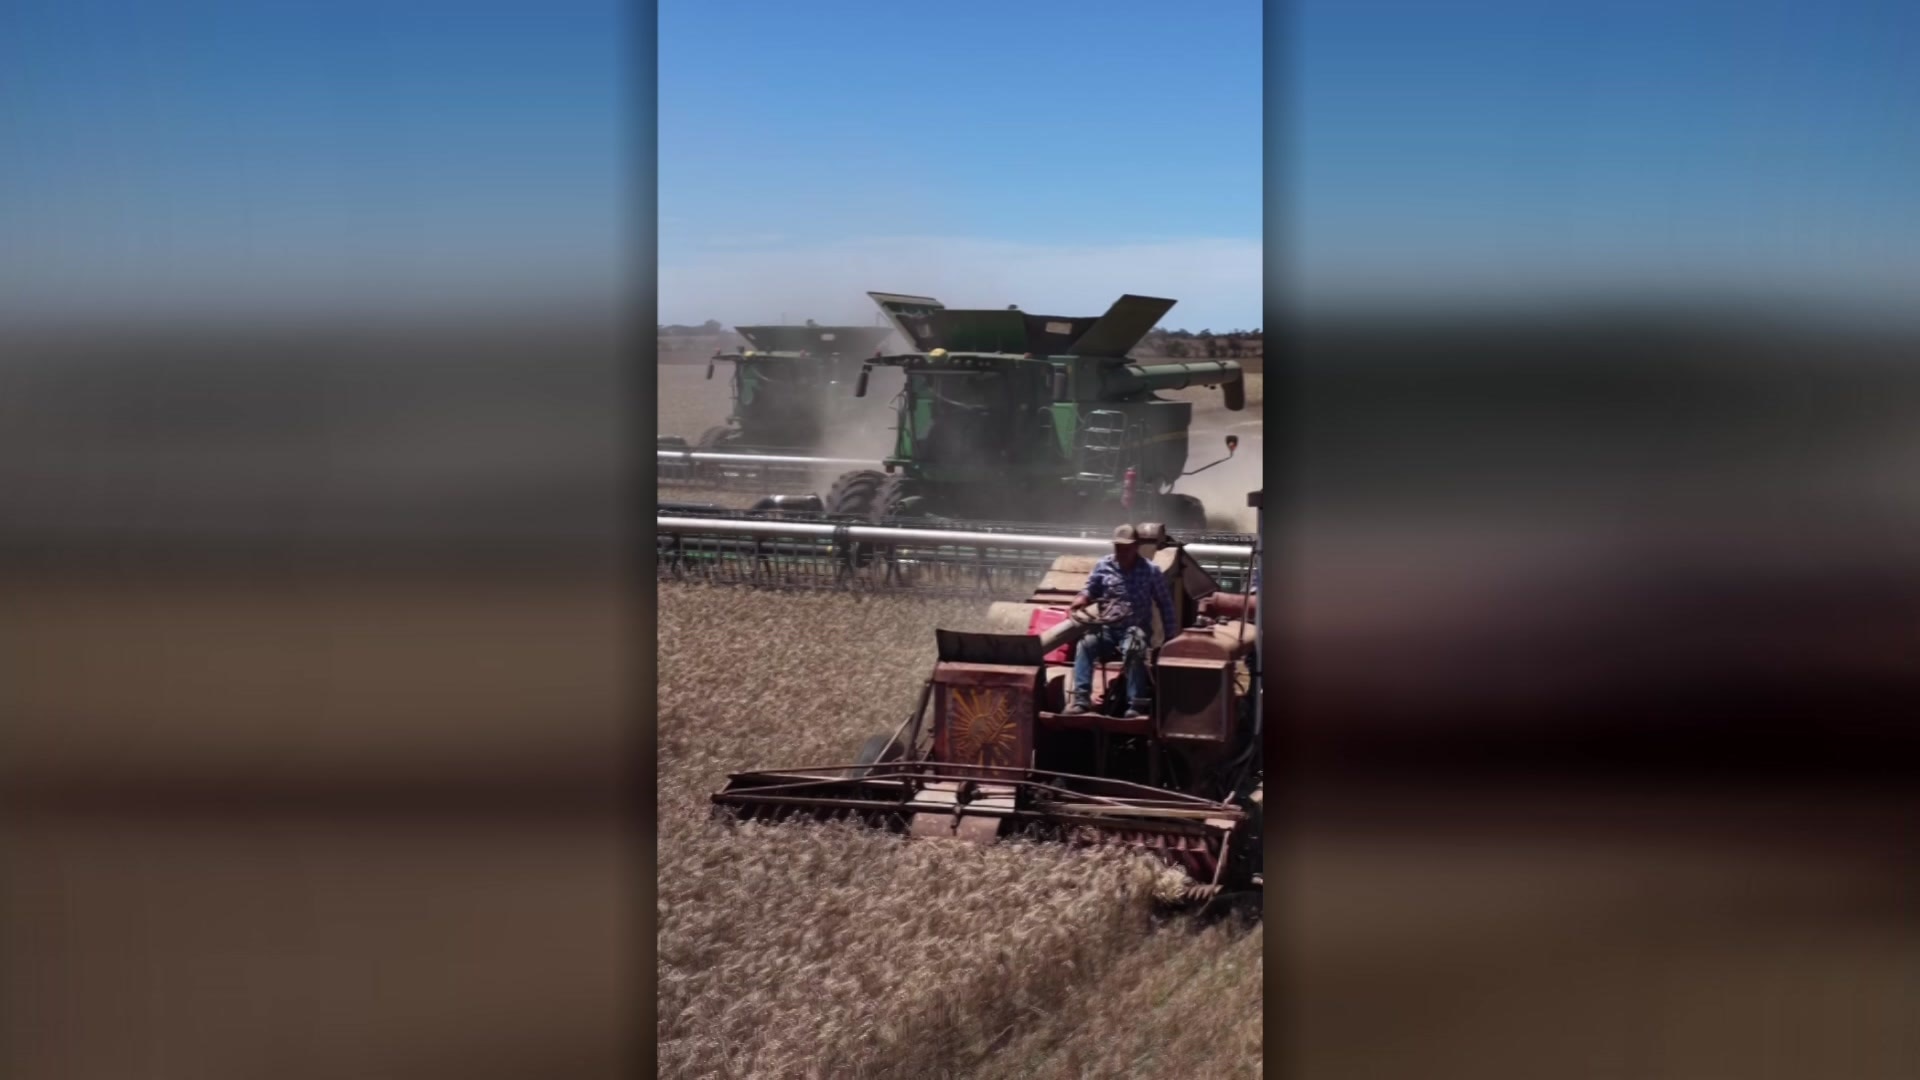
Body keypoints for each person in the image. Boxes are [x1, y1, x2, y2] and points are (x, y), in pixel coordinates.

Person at [1065, 523, 1176, 717]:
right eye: (1118, 547)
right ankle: (1081, 700)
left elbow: (1165, 604)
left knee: (1134, 646)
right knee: (1085, 644)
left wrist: (1171, 638)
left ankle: (1136, 704)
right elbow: (1091, 589)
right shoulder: (1103, 565)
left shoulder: (1150, 571)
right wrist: (1081, 598)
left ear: (1136, 547)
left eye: (1126, 548)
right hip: (1107, 629)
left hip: (1134, 628)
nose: (1121, 552)